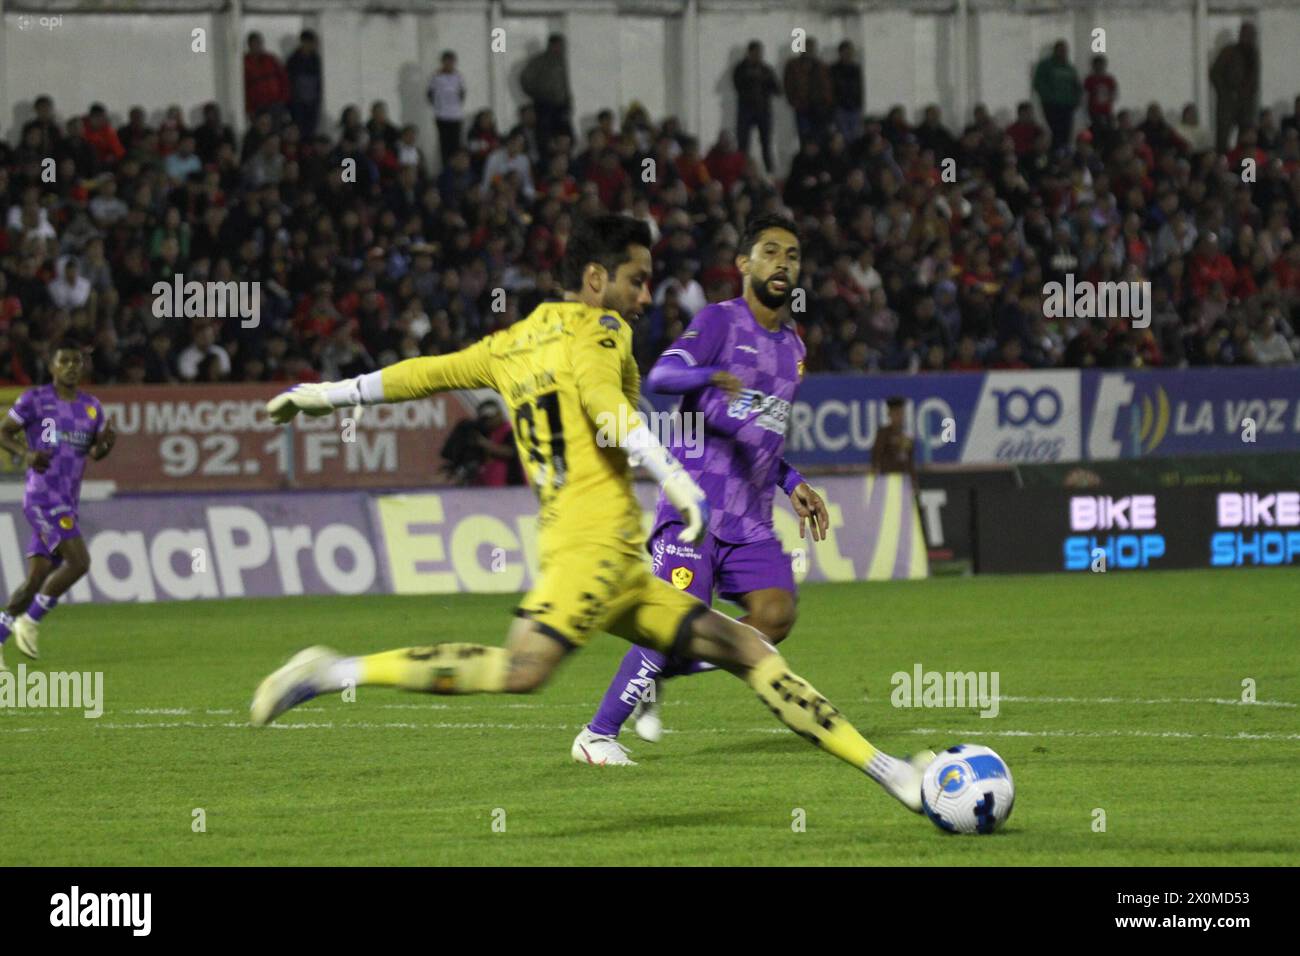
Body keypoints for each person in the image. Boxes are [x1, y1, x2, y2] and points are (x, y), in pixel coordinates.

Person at [252, 214, 932, 814]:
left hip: (609, 557)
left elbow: (419, 373)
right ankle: (331, 672)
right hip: (593, 554)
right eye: (636, 281)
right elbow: (606, 403)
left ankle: (895, 775)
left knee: (753, 648)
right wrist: (673, 476)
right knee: (522, 671)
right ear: (595, 276)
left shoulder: (511, 342)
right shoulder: (602, 331)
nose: (644, 297)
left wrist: (321, 396)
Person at [573, 214, 830, 764]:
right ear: (744, 265)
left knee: (776, 617)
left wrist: (794, 481)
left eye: (792, 254)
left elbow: (762, 434)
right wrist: (708, 376)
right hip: (696, 508)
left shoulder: (794, 350)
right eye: (770, 252)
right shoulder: (720, 322)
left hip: (753, 519)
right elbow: (663, 375)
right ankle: (596, 735)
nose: (783, 262)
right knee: (676, 617)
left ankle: (659, 668)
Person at [0, 341, 116, 667]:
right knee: (80, 562)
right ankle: (31, 620)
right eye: (64, 361)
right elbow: (4, 431)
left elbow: (93, 453)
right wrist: (25, 454)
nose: (71, 366)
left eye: (76, 361)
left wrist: (105, 445)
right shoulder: (34, 399)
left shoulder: (91, 408)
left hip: (67, 500)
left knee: (36, 579)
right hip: (42, 495)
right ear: (52, 367)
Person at [1209, 22, 1260, 151]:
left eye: (1251, 35)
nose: (1249, 38)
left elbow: (1254, 79)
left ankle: (1245, 169)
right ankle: (1223, 166)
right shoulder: (1229, 51)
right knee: (1223, 139)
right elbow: (1214, 73)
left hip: (1246, 105)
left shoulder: (1254, 54)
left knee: (1247, 141)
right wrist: (1226, 92)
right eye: (1246, 34)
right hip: (1228, 104)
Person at [732, 41, 780, 173]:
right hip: (746, 110)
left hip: (763, 110)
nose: (758, 55)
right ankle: (741, 171)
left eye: (760, 52)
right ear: (749, 52)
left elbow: (777, 89)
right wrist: (751, 78)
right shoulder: (741, 69)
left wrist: (765, 79)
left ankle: (769, 172)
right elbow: (738, 86)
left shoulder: (766, 69)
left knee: (766, 144)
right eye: (756, 52)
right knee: (743, 145)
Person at [520, 34, 572, 154]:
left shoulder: (561, 61)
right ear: (551, 45)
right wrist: (539, 94)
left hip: (561, 105)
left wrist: (567, 100)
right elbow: (525, 79)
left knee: (564, 134)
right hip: (545, 105)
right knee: (545, 137)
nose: (561, 48)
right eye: (558, 45)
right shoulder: (539, 61)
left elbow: (564, 83)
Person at [1032, 40, 1082, 152]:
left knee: (1066, 133)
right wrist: (1049, 97)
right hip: (1052, 105)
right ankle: (1055, 156)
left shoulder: (1069, 68)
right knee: (1056, 132)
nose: (1063, 53)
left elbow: (1077, 86)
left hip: (1067, 106)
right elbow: (1038, 83)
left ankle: (1064, 155)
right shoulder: (1045, 65)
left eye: (1065, 51)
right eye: (1060, 50)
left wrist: (1076, 101)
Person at [428, 50, 467, 169]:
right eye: (447, 61)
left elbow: (462, 94)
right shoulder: (436, 77)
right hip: (442, 116)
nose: (449, 64)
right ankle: (446, 169)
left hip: (455, 116)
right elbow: (430, 94)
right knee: (444, 146)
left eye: (451, 62)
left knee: (456, 146)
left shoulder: (458, 77)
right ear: (442, 62)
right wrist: (439, 106)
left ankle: (457, 167)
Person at [871, 396, 916, 488]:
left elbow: (910, 462)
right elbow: (876, 457)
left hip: (904, 481)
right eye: (896, 413)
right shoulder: (883, 434)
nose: (899, 417)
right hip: (888, 481)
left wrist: (913, 482)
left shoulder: (907, 436)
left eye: (901, 413)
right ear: (889, 414)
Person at [286, 30, 323, 139]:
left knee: (310, 131)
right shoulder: (293, 60)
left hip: (312, 102)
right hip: (298, 103)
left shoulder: (316, 59)